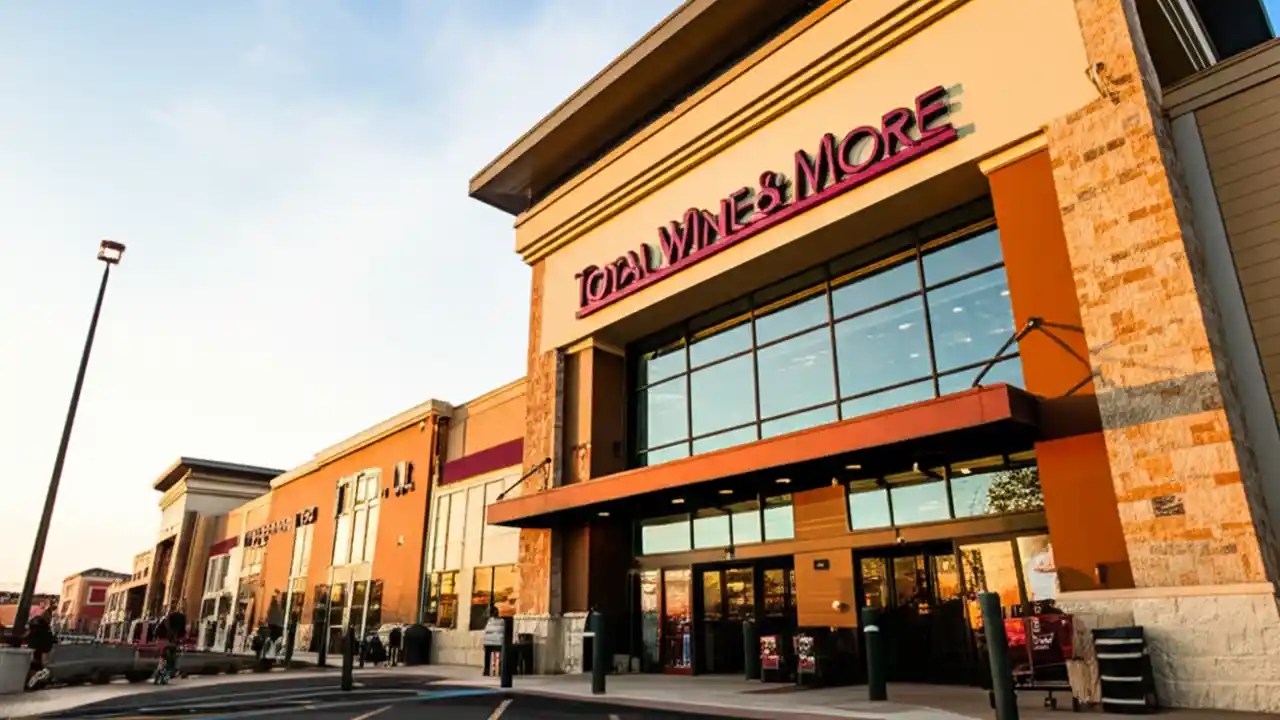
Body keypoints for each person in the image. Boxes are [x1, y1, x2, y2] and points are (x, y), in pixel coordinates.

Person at [25, 614, 56, 689]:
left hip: (36, 657)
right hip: (39, 657)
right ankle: (36, 682)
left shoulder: (34, 634)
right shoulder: (46, 634)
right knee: (40, 666)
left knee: (37, 667)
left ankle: (34, 682)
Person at [481, 607, 504, 677]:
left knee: (487, 654)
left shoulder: (489, 621)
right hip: (499, 643)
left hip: (489, 644)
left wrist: (484, 644)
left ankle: (486, 670)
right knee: (502, 654)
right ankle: (501, 669)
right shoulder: (502, 621)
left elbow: (486, 633)